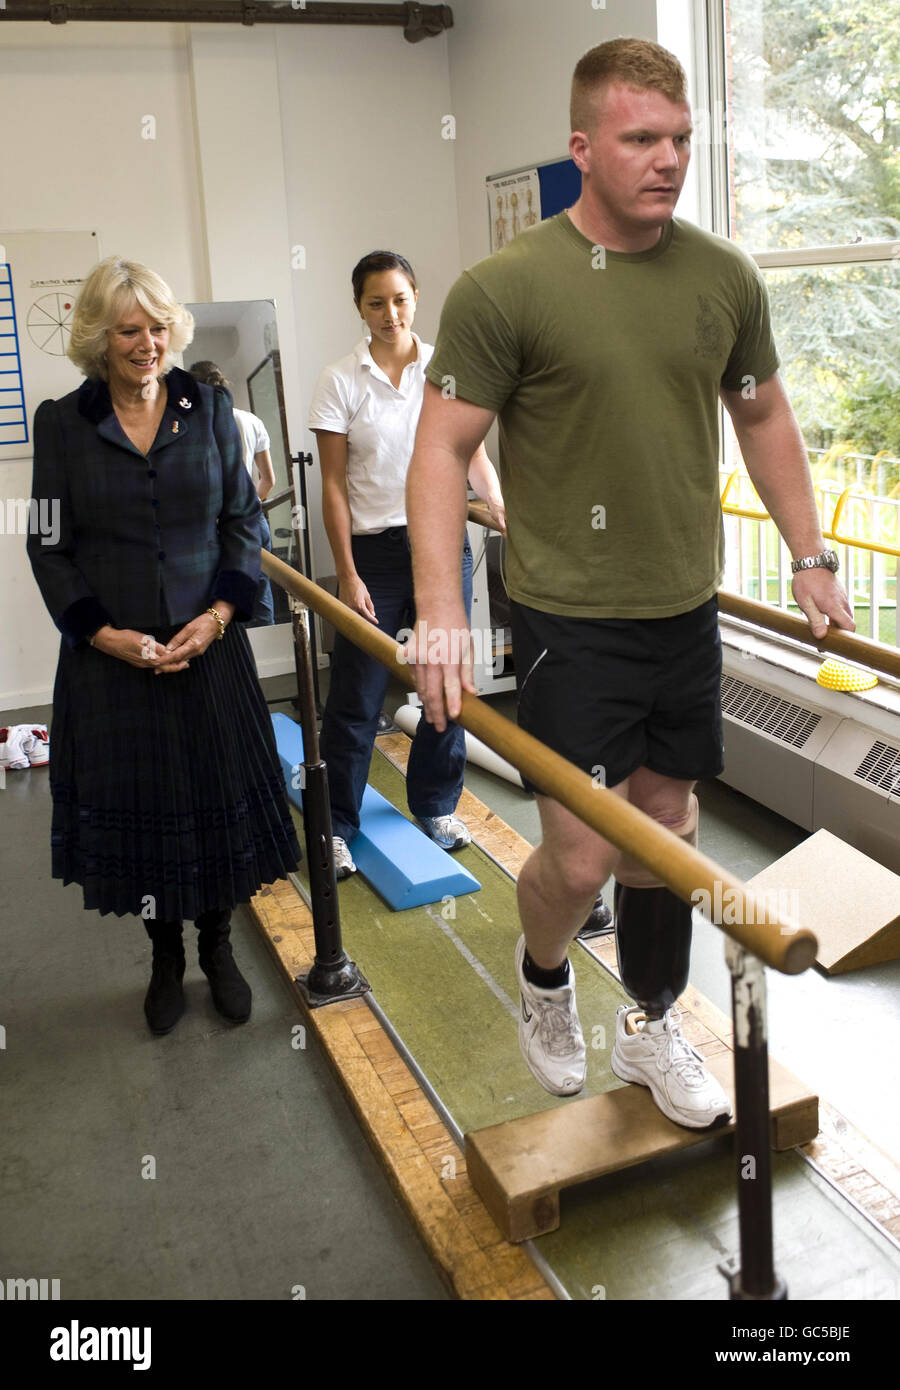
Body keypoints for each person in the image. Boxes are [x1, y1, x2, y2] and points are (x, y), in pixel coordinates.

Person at [406, 39, 854, 1127]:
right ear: (582, 149)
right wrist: (437, 614)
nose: (668, 160)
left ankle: (653, 1026)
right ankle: (546, 975)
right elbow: (438, 451)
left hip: (682, 610)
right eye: (641, 139)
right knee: (582, 852)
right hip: (569, 615)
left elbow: (762, 415)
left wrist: (808, 554)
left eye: (682, 140)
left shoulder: (721, 277)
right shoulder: (506, 289)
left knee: (672, 827)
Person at [27, 256, 301, 1036]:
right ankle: (165, 959)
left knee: (213, 807)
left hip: (207, 650)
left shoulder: (210, 409)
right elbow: (48, 547)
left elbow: (243, 523)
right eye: (127, 331)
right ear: (99, 340)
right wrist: (103, 634)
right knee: (147, 813)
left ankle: (218, 949)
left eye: (155, 328)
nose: (146, 345)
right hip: (114, 665)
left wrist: (218, 616)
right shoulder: (62, 424)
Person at [308, 250, 505, 878]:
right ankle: (336, 824)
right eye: (375, 302)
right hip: (374, 554)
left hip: (443, 544)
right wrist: (348, 573)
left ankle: (436, 805)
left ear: (416, 297)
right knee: (358, 697)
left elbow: (467, 450)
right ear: (359, 307)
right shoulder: (340, 380)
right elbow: (334, 486)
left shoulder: (447, 370)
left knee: (445, 682)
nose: (390, 314)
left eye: (399, 299)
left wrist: (498, 506)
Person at [189, 360, 276, 626]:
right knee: (260, 592)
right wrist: (248, 506)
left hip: (214, 524)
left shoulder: (194, 427)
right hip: (252, 519)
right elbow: (268, 480)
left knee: (220, 599)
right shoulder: (250, 420)